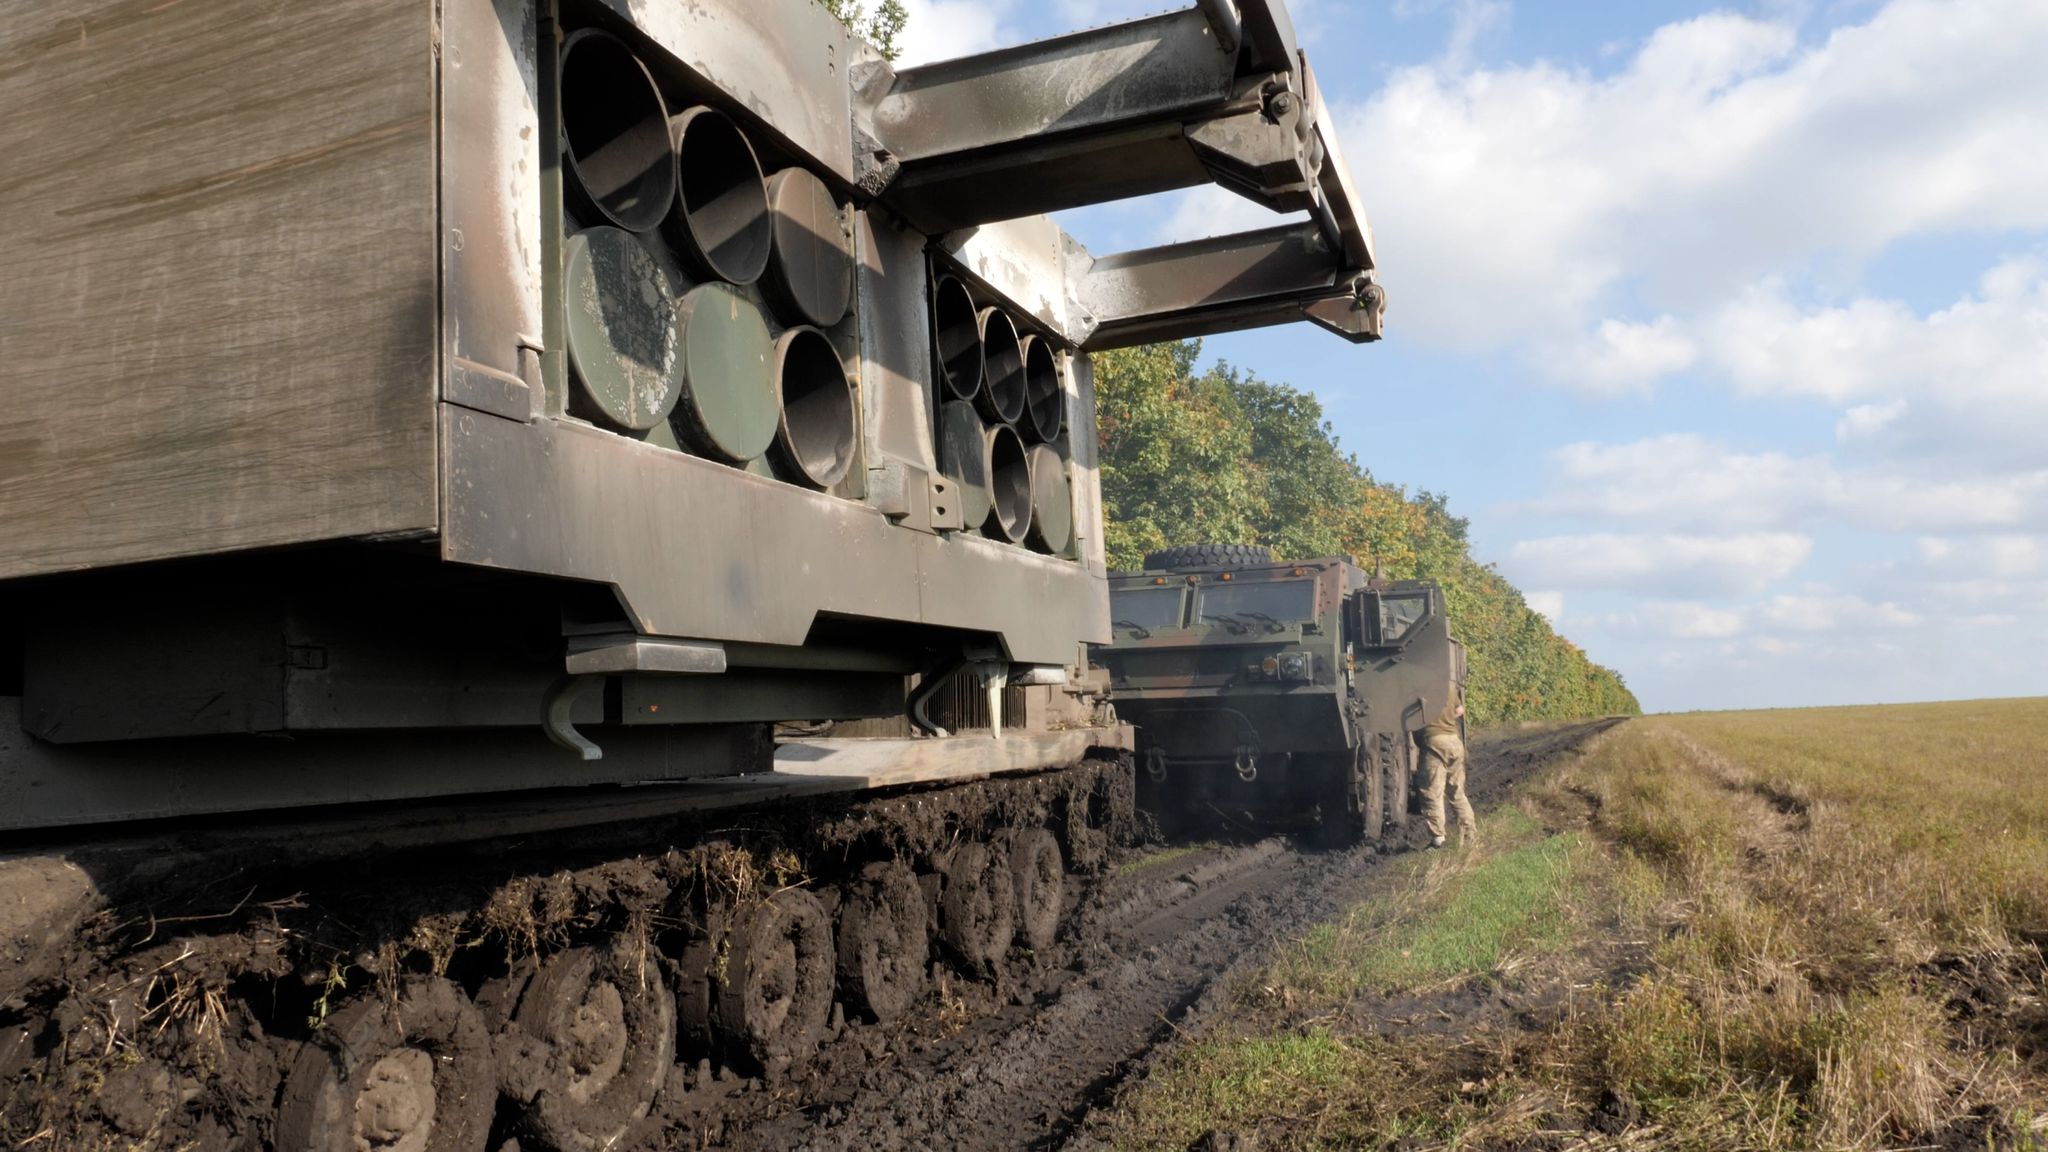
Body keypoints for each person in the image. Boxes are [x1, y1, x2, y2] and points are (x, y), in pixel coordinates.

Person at [1418, 683, 1473, 849]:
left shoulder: (1420, 688)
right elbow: (1460, 710)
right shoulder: (1448, 686)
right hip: (1454, 742)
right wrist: (1447, 719)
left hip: (1435, 743)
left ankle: (1438, 840)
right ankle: (1469, 835)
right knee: (1457, 792)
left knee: (1432, 792)